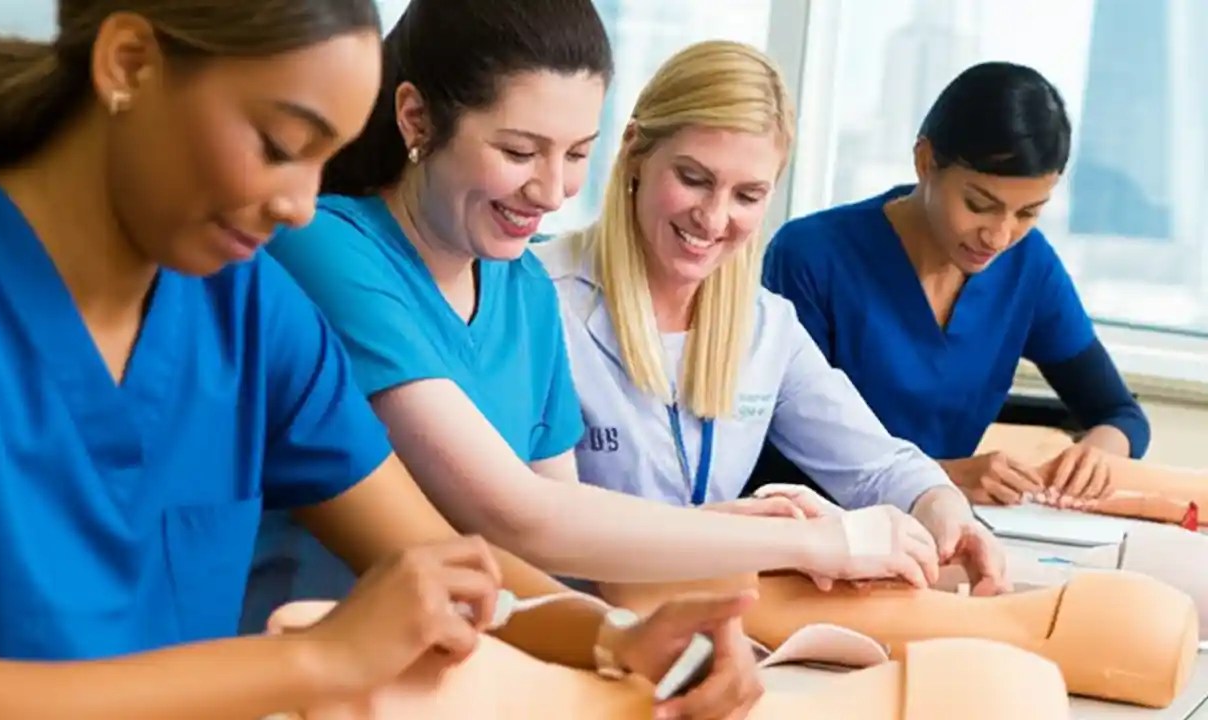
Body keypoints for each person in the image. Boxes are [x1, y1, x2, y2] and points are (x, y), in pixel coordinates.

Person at [0, 3, 764, 717]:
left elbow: (442, 567)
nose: (298, 203)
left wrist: (617, 637)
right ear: (131, 64)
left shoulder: (247, 304)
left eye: (323, 158)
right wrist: (315, 659)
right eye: (280, 143)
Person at [259, 0, 944, 616]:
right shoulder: (327, 249)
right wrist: (822, 542)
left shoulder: (519, 289)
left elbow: (548, 544)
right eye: (519, 151)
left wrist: (642, 618)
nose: (553, 191)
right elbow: (520, 516)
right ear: (416, 118)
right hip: (305, 669)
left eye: (576, 154)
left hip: (462, 663)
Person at [533, 41, 1006, 596]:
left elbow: (876, 465)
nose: (713, 218)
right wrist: (784, 540)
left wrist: (944, 507)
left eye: (747, 194)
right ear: (635, 150)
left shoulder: (765, 327)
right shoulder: (539, 298)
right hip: (561, 626)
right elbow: (544, 523)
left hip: (693, 623)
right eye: (693, 178)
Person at [763, 61, 1149, 509]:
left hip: (942, 536)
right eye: (979, 204)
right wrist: (938, 478)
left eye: (1027, 213)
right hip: (815, 536)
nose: (999, 236)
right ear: (925, 161)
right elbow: (776, 459)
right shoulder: (812, 256)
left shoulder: (1028, 265)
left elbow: (1121, 415)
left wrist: (1098, 452)